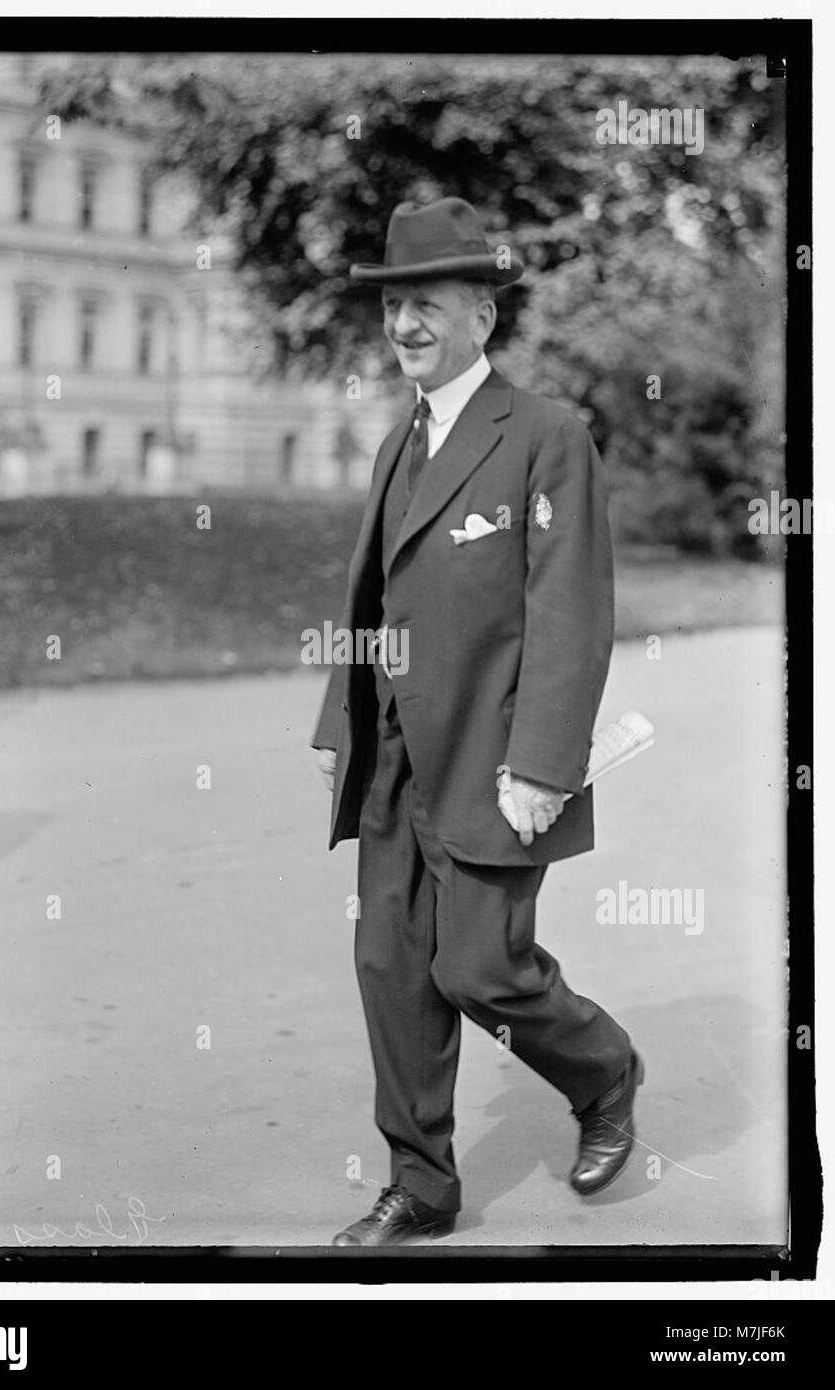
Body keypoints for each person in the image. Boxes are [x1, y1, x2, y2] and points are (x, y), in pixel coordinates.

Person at [312, 196, 642, 1247]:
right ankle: (420, 1184)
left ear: (481, 317)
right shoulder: (395, 444)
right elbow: (373, 597)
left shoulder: (544, 434)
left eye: (427, 304)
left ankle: (603, 1071)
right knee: (390, 969)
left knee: (479, 971)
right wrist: (343, 727)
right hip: (394, 761)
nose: (404, 324)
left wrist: (543, 764)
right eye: (393, 305)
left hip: (494, 760)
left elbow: (570, 614)